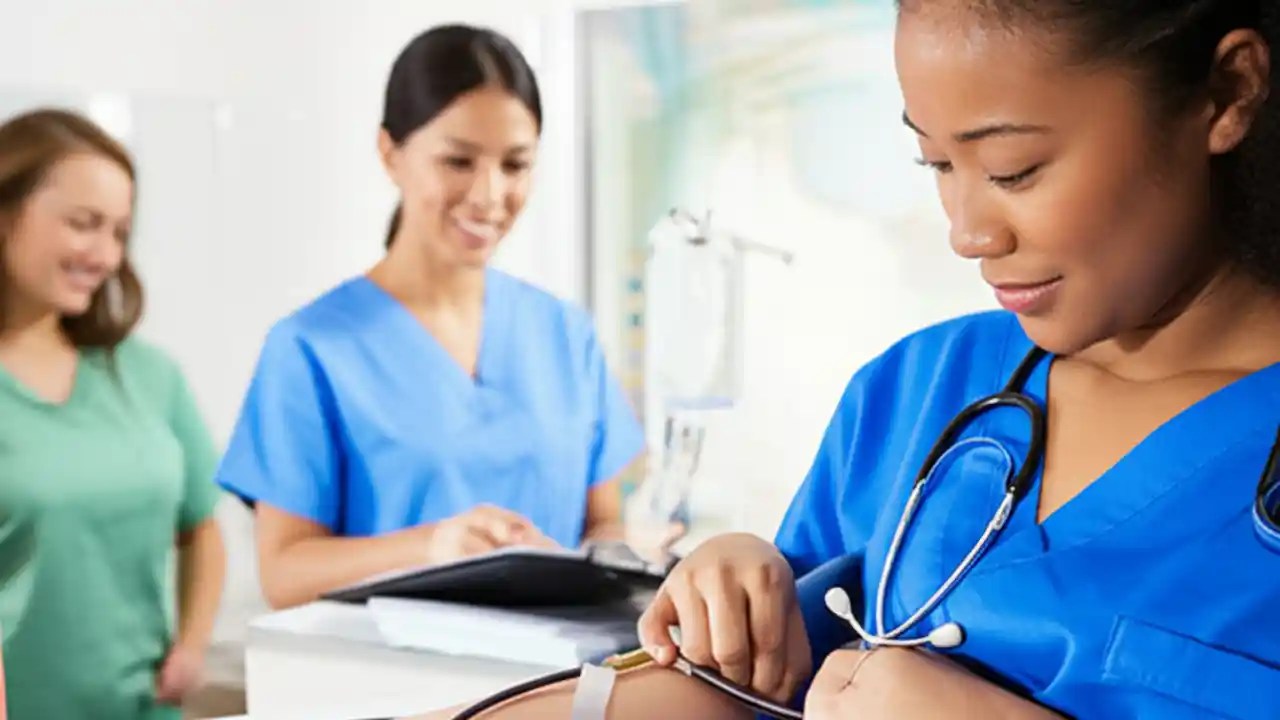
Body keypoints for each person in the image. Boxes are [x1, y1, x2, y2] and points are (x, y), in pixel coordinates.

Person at [414, 0, 1280, 718]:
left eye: (1013, 169)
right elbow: (743, 688)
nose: (968, 232)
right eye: (937, 163)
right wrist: (732, 592)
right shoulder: (918, 392)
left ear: (1227, 93)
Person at [216, 24, 645, 610]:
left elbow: (603, 525)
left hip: (558, 663)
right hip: (385, 665)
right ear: (390, 153)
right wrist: (434, 547)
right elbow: (285, 573)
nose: (490, 194)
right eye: (458, 161)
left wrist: (623, 555)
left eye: (515, 165)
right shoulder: (312, 347)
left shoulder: (565, 335)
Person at [0, 108, 226, 719]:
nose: (105, 255)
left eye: (120, 232)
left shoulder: (148, 375)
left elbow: (201, 526)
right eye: (83, 224)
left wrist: (191, 646)